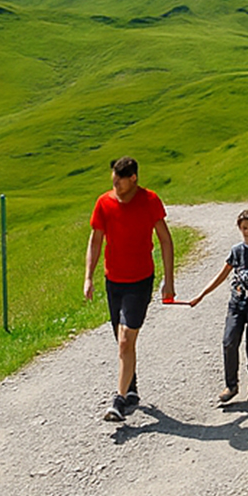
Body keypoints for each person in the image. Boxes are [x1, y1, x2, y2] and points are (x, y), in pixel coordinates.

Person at [83, 156, 175, 422]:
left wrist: (169, 281)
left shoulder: (150, 201)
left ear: (133, 178)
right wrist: (88, 277)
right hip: (113, 280)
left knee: (125, 340)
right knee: (122, 340)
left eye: (119, 183)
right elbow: (95, 240)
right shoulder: (104, 203)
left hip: (140, 280)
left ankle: (118, 400)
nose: (115, 188)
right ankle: (131, 389)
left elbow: (165, 241)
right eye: (113, 182)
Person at [189, 208, 248, 403]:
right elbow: (221, 275)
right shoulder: (236, 251)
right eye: (242, 227)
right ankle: (231, 385)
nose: (244, 231)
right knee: (229, 341)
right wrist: (202, 294)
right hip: (236, 305)